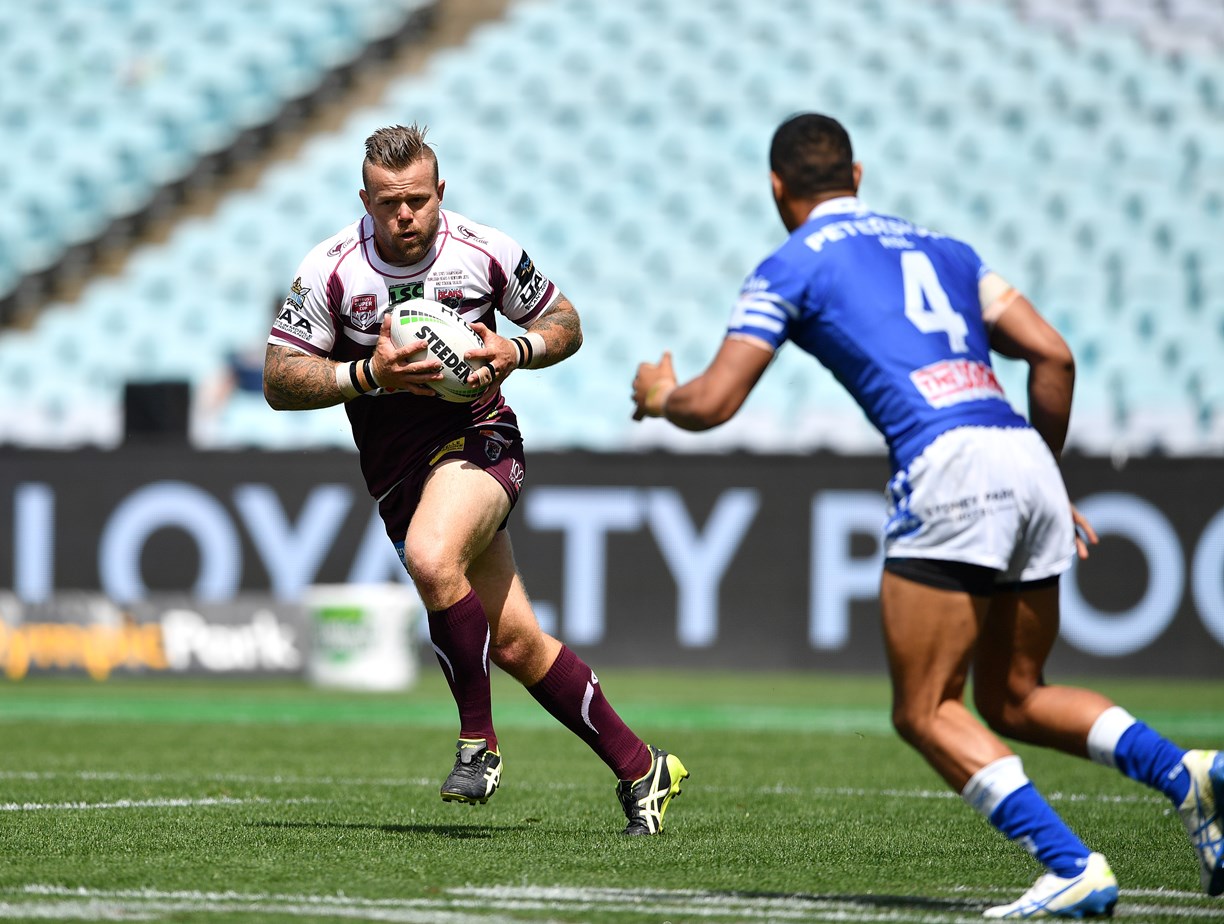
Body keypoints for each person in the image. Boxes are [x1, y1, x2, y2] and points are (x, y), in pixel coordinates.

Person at [631, 113, 1222, 914]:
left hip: (947, 467)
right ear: (857, 176)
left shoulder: (791, 264)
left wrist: (662, 396)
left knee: (925, 708)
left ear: (776, 187)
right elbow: (1053, 354)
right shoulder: (948, 250)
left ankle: (1069, 863)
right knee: (1015, 697)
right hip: (1021, 451)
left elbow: (713, 402)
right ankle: (1185, 775)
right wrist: (1045, 473)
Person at [264, 123, 687, 835]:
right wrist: (366, 374)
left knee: (434, 557)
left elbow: (565, 322)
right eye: (389, 203)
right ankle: (643, 768)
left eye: (418, 200)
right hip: (398, 474)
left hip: (482, 440)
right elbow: (279, 379)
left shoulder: (484, 251)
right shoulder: (332, 270)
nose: (405, 215)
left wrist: (517, 349)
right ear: (365, 201)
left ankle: (477, 745)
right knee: (516, 643)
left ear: (441, 192)